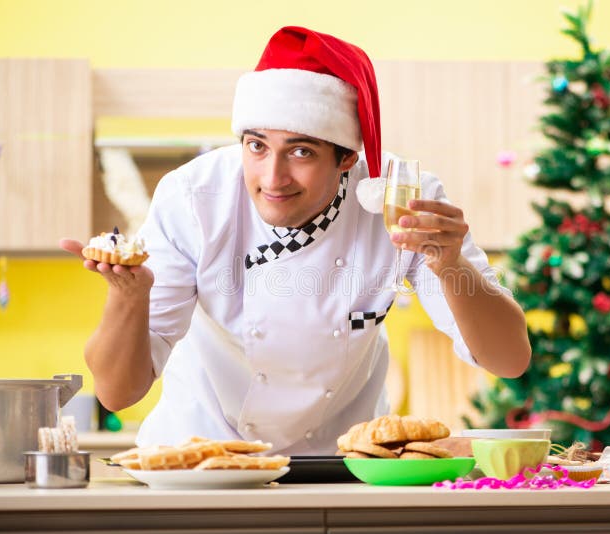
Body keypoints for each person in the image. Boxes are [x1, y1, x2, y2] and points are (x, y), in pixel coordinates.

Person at [61, 26, 530, 454]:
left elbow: (509, 359)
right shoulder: (194, 198)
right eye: (257, 145)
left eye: (301, 151)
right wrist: (129, 297)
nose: (272, 177)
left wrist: (450, 264)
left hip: (338, 466)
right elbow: (118, 393)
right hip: (199, 460)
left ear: (347, 157)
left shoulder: (402, 201)